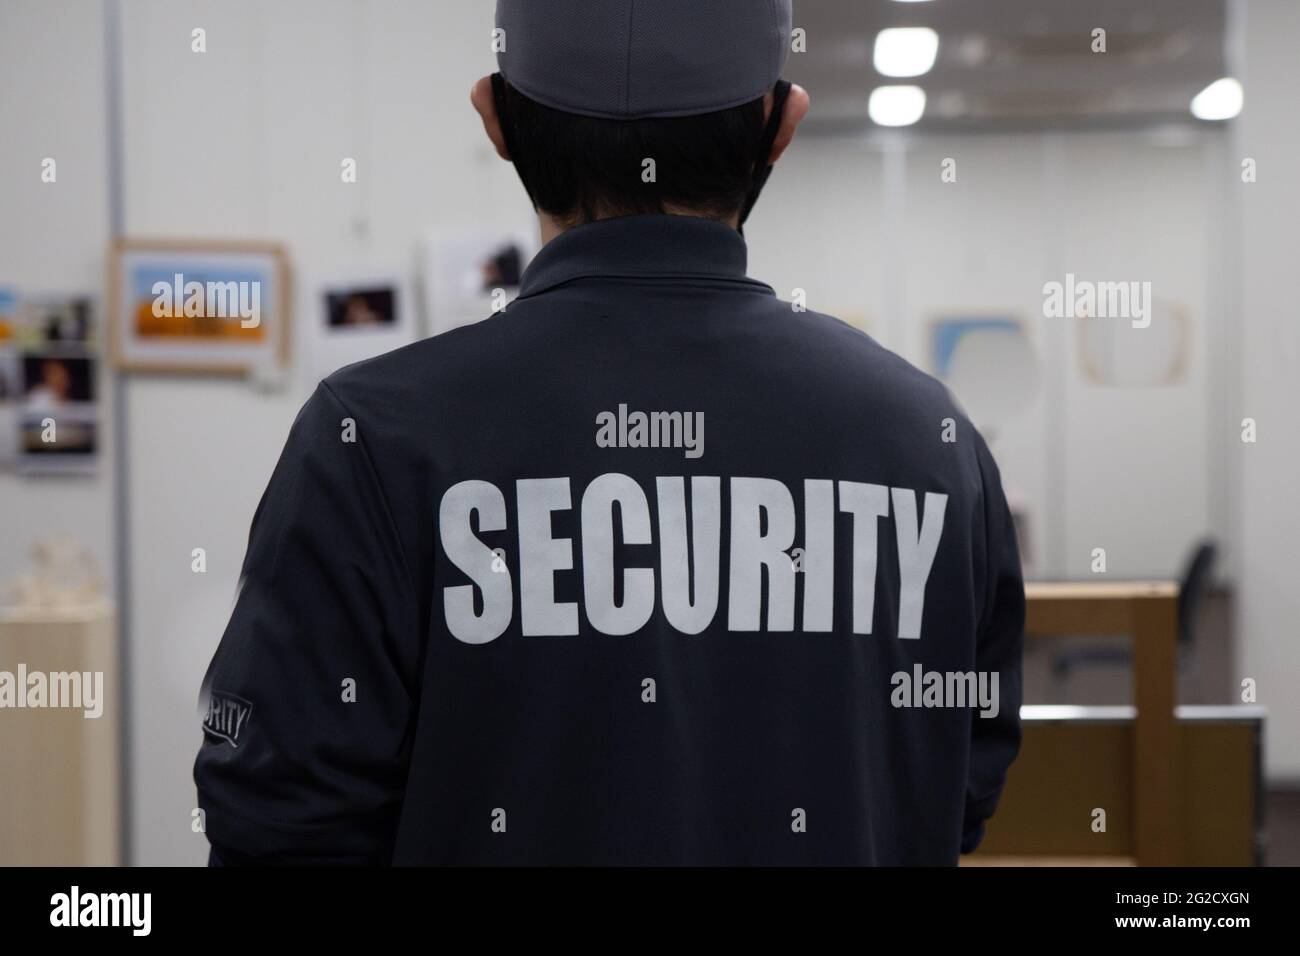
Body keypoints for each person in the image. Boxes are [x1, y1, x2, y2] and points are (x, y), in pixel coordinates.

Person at [195, 0, 1023, 866]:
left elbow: (278, 825)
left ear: (496, 117)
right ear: (782, 125)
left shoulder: (372, 436)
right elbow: (955, 788)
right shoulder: (928, 438)